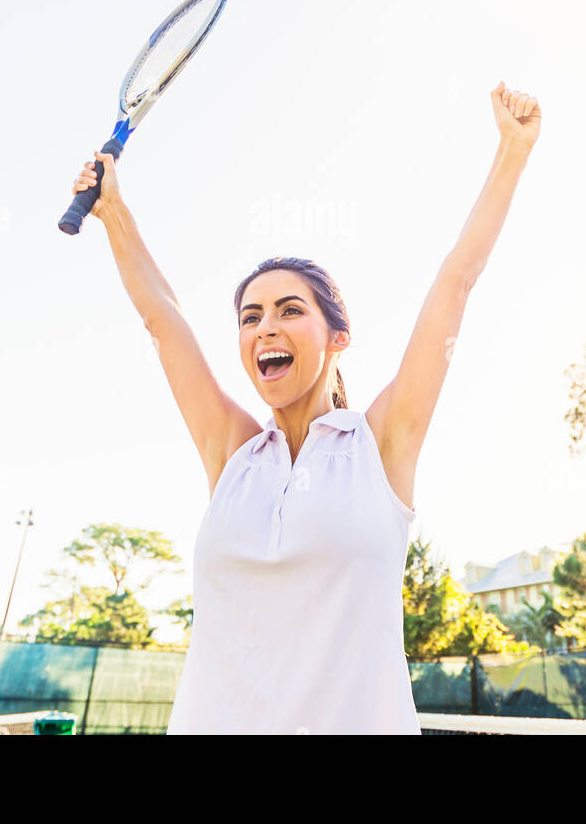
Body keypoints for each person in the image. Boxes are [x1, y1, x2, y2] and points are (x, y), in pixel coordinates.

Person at [71, 82, 541, 733]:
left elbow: (456, 277)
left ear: (337, 337)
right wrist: (114, 211)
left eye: (291, 310)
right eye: (250, 316)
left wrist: (511, 152)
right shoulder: (231, 453)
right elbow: (163, 319)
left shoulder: (381, 445)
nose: (265, 327)